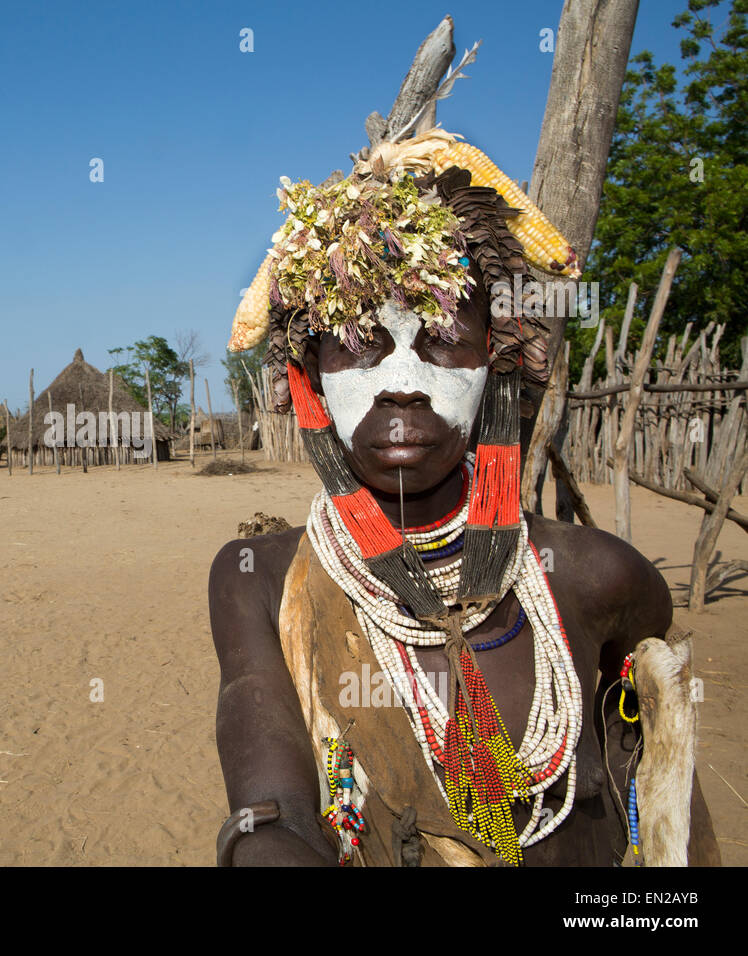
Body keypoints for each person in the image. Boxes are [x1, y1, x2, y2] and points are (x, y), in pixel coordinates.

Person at [209, 128, 719, 866]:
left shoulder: (594, 576)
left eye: (443, 336)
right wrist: (271, 844)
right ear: (311, 374)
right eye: (359, 341)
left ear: (496, 356)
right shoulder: (258, 581)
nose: (402, 379)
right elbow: (273, 799)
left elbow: (645, 745)